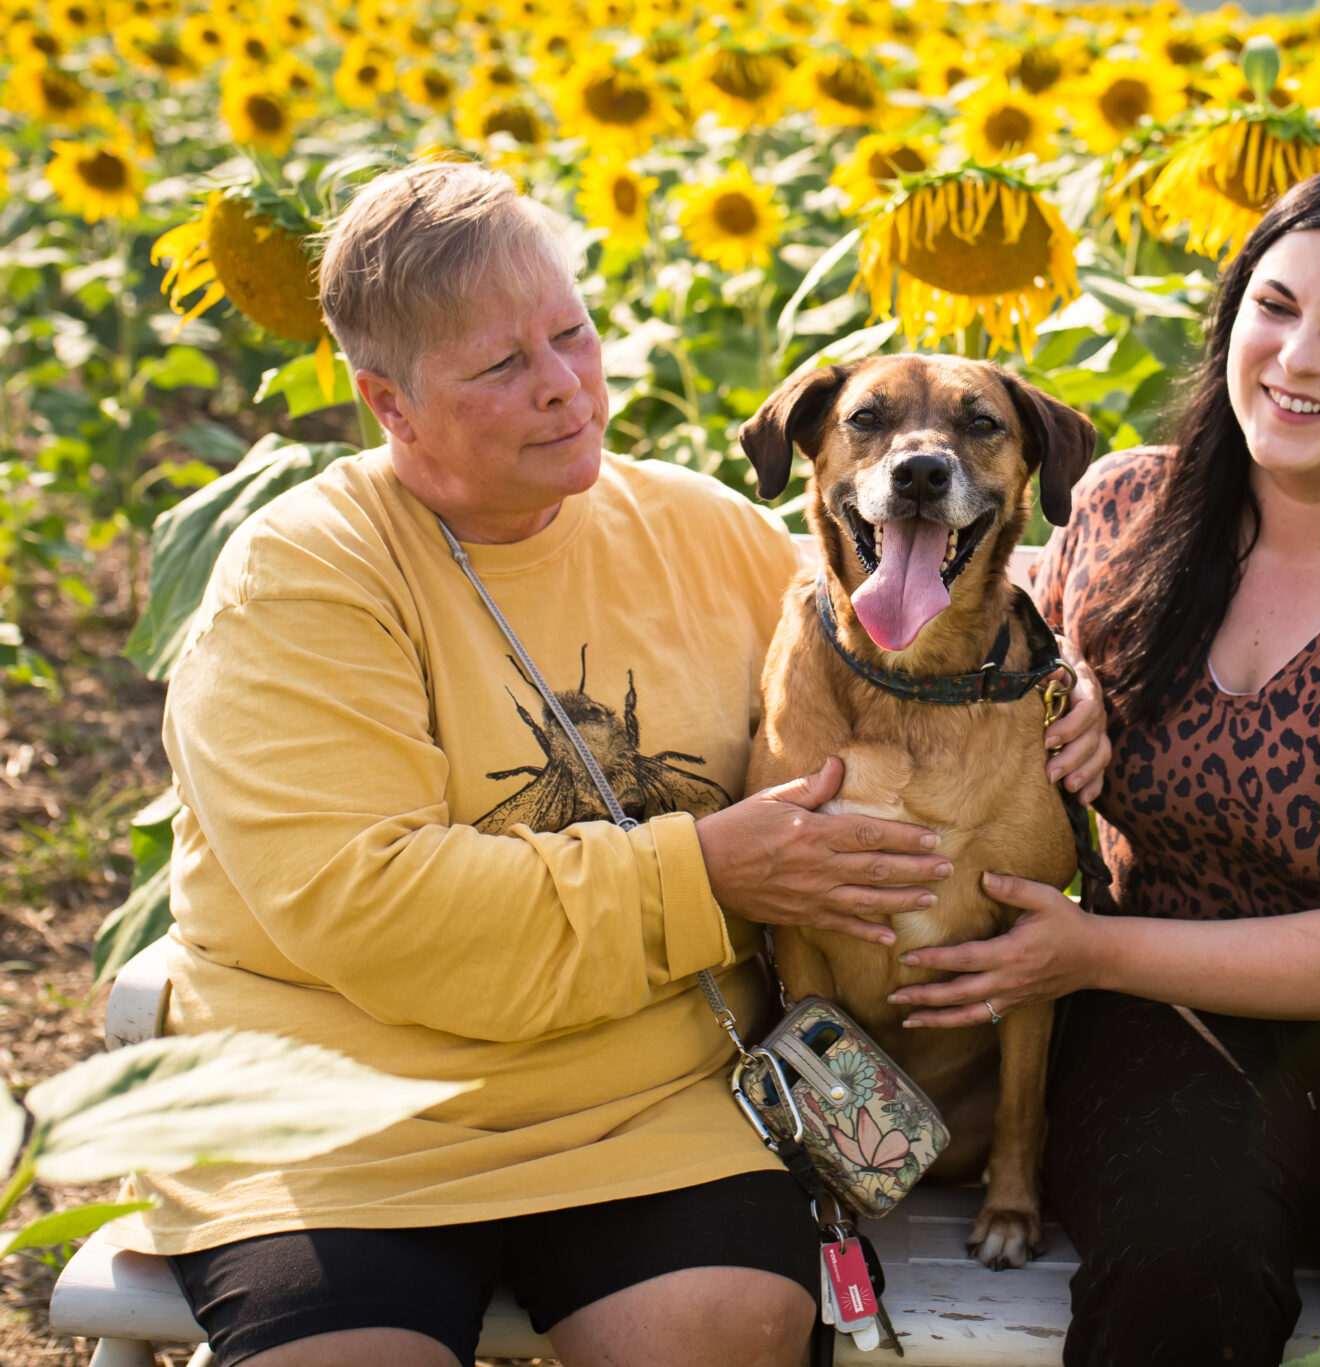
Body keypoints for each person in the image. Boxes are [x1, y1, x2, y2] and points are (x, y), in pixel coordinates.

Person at [104, 158, 1109, 1367]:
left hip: (641, 1108)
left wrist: (1063, 684)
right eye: (500, 366)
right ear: (389, 403)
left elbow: (924, 607)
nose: (565, 388)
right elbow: (368, 909)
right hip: (348, 1117)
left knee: (728, 1326)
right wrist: (710, 874)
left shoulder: (695, 528)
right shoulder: (302, 579)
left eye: (571, 335)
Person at [882, 162, 1320, 1366]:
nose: (1297, 358)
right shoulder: (1118, 510)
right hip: (1166, 1010)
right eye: (1275, 306)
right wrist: (1070, 687)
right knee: (1180, 1274)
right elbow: (1001, 652)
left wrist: (1086, 947)